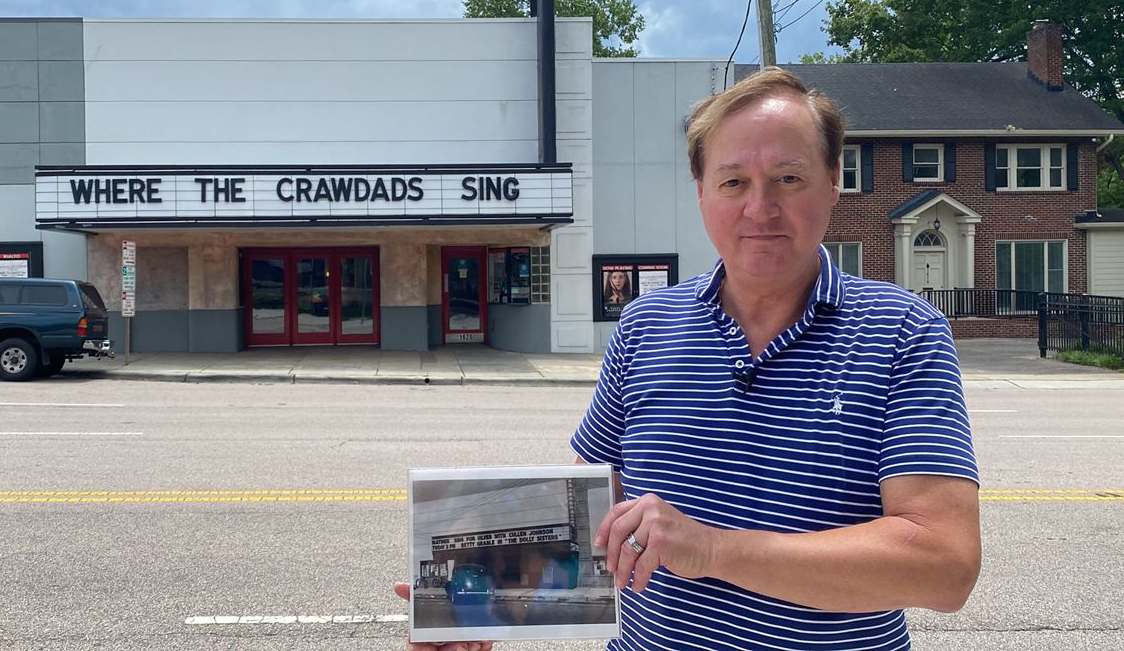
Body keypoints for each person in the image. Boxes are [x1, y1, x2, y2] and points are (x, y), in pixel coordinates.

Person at [396, 66, 980, 651]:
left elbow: (944, 566)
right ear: (700, 192)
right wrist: (484, 607)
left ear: (832, 183)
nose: (760, 208)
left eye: (788, 177)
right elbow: (587, 514)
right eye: (733, 182)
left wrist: (713, 548)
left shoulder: (903, 331)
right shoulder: (645, 325)